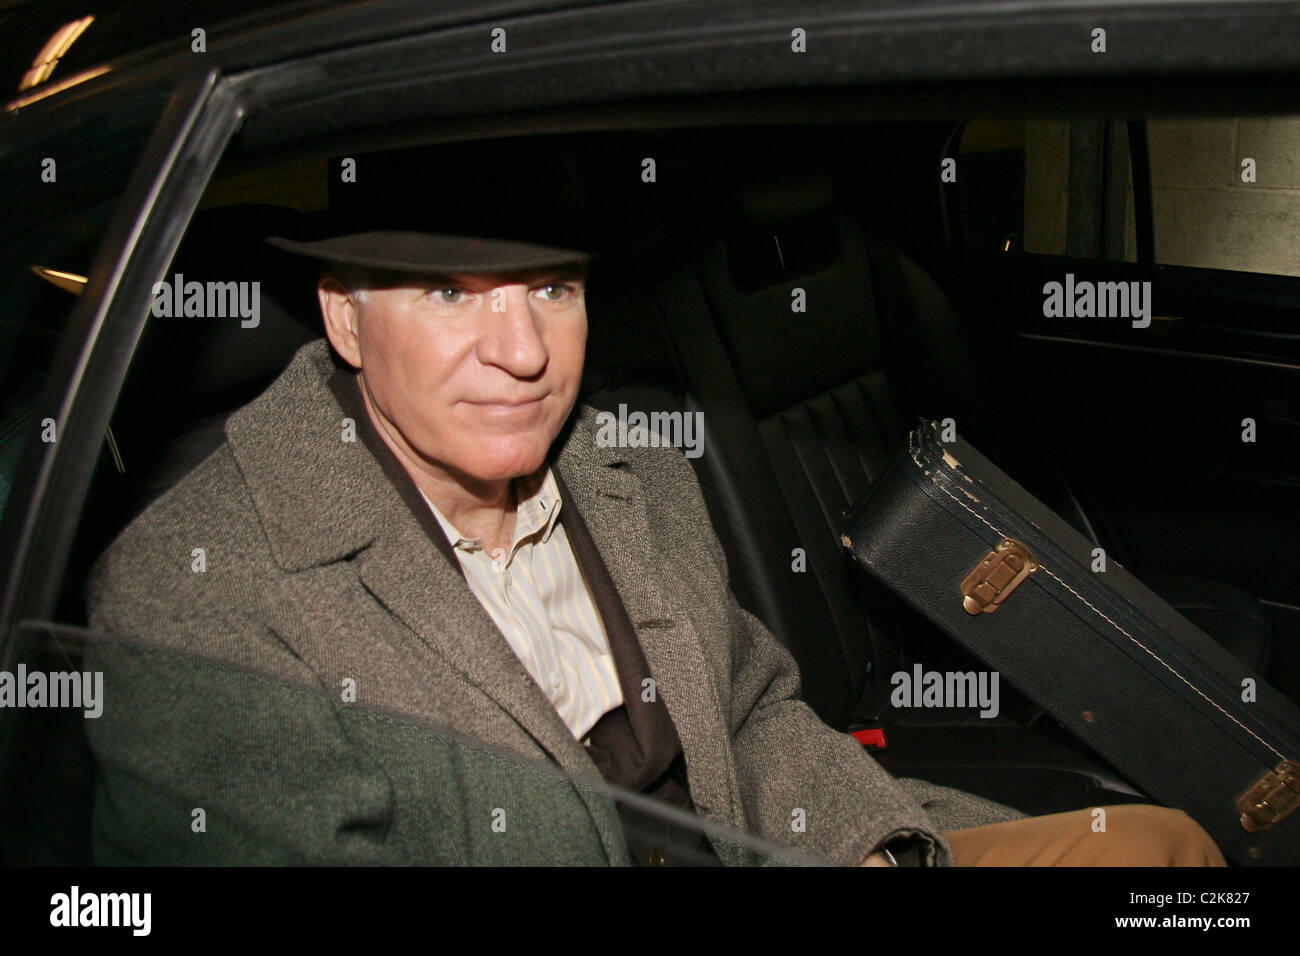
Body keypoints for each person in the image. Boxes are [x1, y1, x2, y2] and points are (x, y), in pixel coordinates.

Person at [83, 146, 1224, 866]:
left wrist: (869, 847)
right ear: (344, 316)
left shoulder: (628, 469)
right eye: (448, 292)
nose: (523, 351)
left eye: (553, 287)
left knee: (1165, 854)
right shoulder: (199, 593)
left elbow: (753, 713)